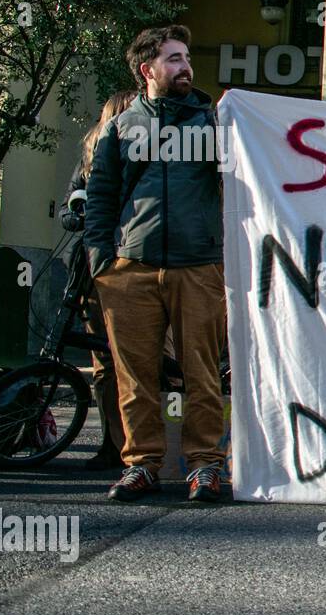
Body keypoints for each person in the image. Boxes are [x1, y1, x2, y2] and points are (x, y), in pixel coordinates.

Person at [84, 25, 228, 503]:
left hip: (198, 265)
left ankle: (206, 464)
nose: (184, 66)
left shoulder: (213, 124)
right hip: (130, 269)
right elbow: (100, 197)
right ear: (147, 70)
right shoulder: (121, 126)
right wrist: (103, 262)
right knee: (135, 373)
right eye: (172, 59)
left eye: (186, 57)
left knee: (201, 372)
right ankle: (141, 464)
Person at [59, 90, 137, 470]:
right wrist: (76, 214)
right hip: (96, 267)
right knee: (106, 360)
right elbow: (68, 207)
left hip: (127, 264)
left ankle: (133, 444)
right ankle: (114, 442)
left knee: (131, 359)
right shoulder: (92, 152)